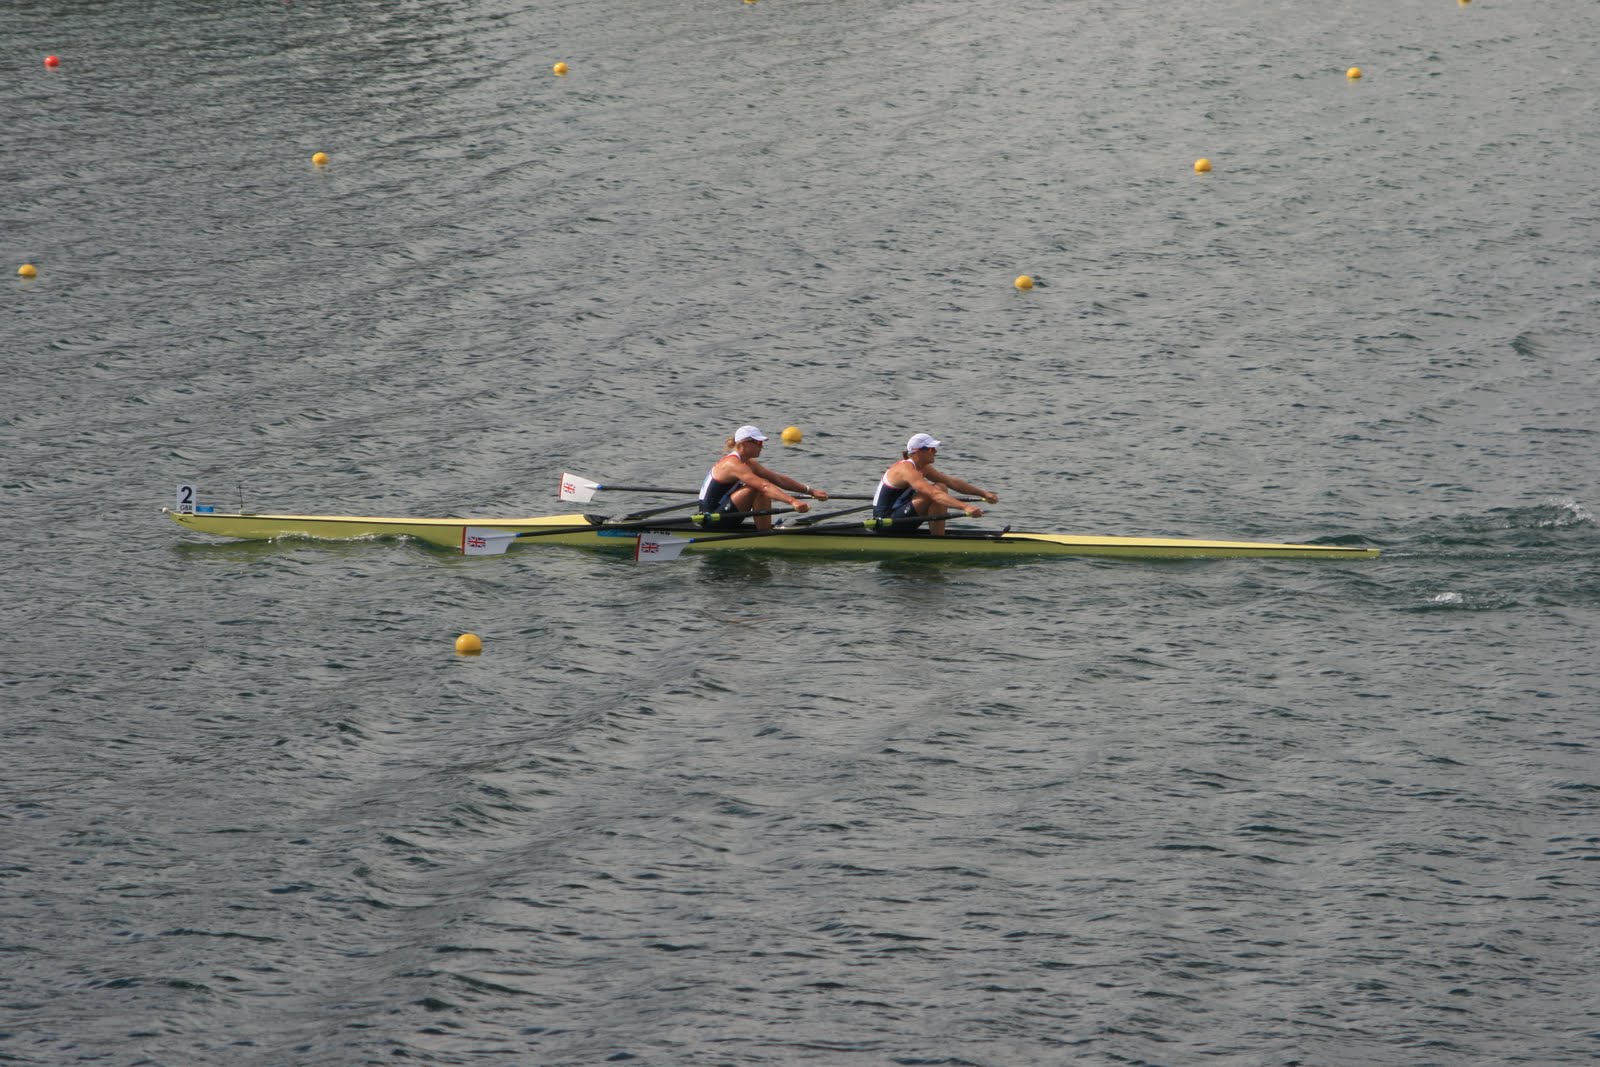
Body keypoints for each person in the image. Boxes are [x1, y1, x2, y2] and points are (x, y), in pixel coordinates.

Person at [698, 425, 830, 530]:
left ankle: (765, 530)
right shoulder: (731, 464)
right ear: (743, 444)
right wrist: (793, 502)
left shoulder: (748, 463)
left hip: (724, 513)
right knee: (758, 487)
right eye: (758, 443)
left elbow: (777, 479)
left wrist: (811, 491)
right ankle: (766, 533)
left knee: (764, 483)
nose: (762, 446)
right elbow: (763, 486)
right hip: (711, 519)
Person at [872, 433, 998, 535]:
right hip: (885, 523)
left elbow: (952, 482)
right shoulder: (906, 470)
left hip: (901, 516)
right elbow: (934, 494)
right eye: (931, 449)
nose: (935, 451)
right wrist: (966, 507)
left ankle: (938, 537)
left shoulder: (923, 467)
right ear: (919, 452)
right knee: (936, 491)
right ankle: (938, 540)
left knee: (942, 485)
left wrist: (984, 493)